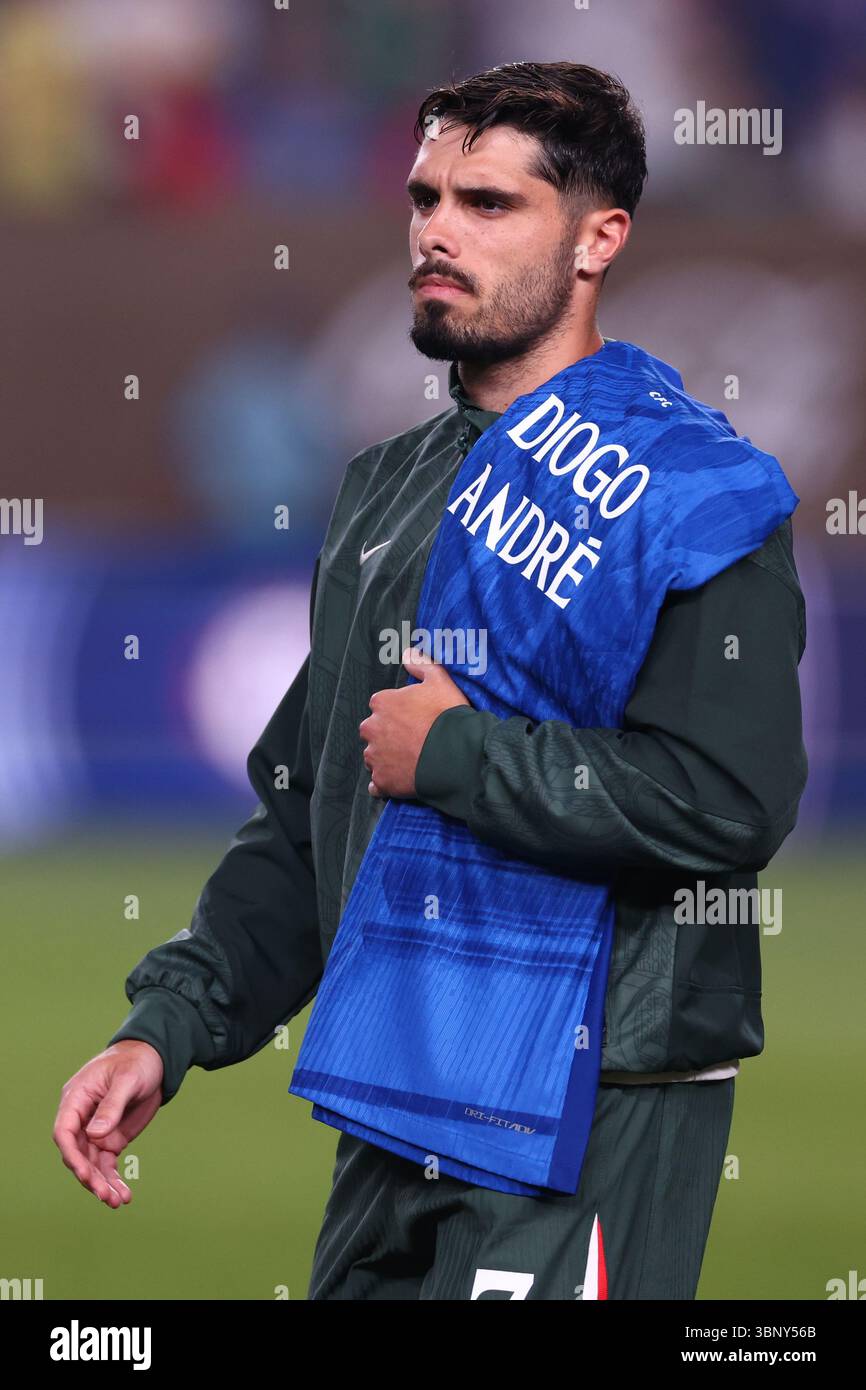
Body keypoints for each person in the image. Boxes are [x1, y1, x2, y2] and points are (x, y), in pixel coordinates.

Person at [53, 62, 807, 1300]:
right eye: (424, 197)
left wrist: (456, 758)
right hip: (398, 1084)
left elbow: (727, 802)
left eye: (489, 204)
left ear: (595, 238)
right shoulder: (385, 493)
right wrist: (167, 1025)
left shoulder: (688, 493)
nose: (437, 230)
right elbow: (304, 815)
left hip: (591, 1106)